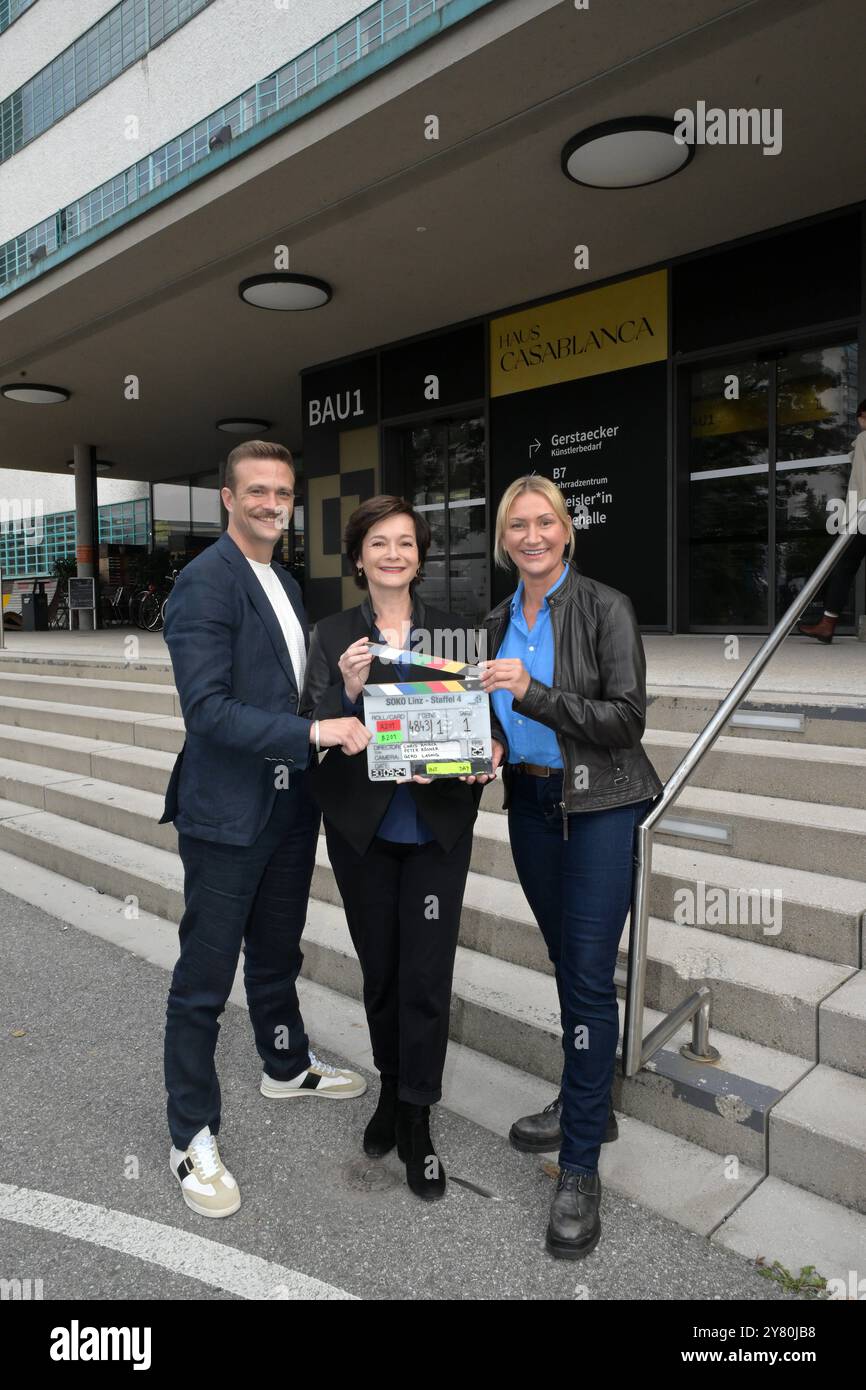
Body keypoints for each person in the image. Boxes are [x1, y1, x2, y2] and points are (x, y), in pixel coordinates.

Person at [160, 440, 369, 1218]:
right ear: (227, 497)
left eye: (281, 491)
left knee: (277, 950)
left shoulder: (281, 579)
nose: (270, 502)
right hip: (226, 812)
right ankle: (189, 1134)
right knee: (202, 983)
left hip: (287, 804)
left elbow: (289, 694)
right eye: (255, 490)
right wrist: (315, 736)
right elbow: (207, 712)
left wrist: (339, 693)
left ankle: (284, 1065)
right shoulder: (204, 583)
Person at [479, 474, 662, 1259]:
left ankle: (580, 1166)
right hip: (528, 806)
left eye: (544, 521)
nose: (532, 536)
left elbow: (625, 719)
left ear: (566, 529)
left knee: (586, 975)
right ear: (503, 538)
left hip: (599, 806)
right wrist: (486, 742)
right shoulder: (495, 619)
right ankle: (589, 1099)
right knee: (569, 964)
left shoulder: (605, 607)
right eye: (517, 525)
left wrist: (535, 695)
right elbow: (496, 713)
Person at [300, 495, 497, 1201]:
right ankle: (389, 1088)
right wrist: (348, 693)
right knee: (382, 971)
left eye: (406, 543)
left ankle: (418, 1114)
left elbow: (485, 723)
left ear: (420, 555)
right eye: (379, 543)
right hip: (364, 831)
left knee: (425, 977)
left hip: (436, 829)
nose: (393, 554)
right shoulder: (330, 635)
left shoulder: (456, 633)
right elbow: (310, 732)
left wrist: (488, 754)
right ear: (359, 557)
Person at [798, 398, 866, 643]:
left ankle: (827, 624)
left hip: (862, 517)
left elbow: (863, 475)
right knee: (844, 567)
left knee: (844, 567)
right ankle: (827, 623)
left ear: (862, 415)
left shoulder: (864, 438)